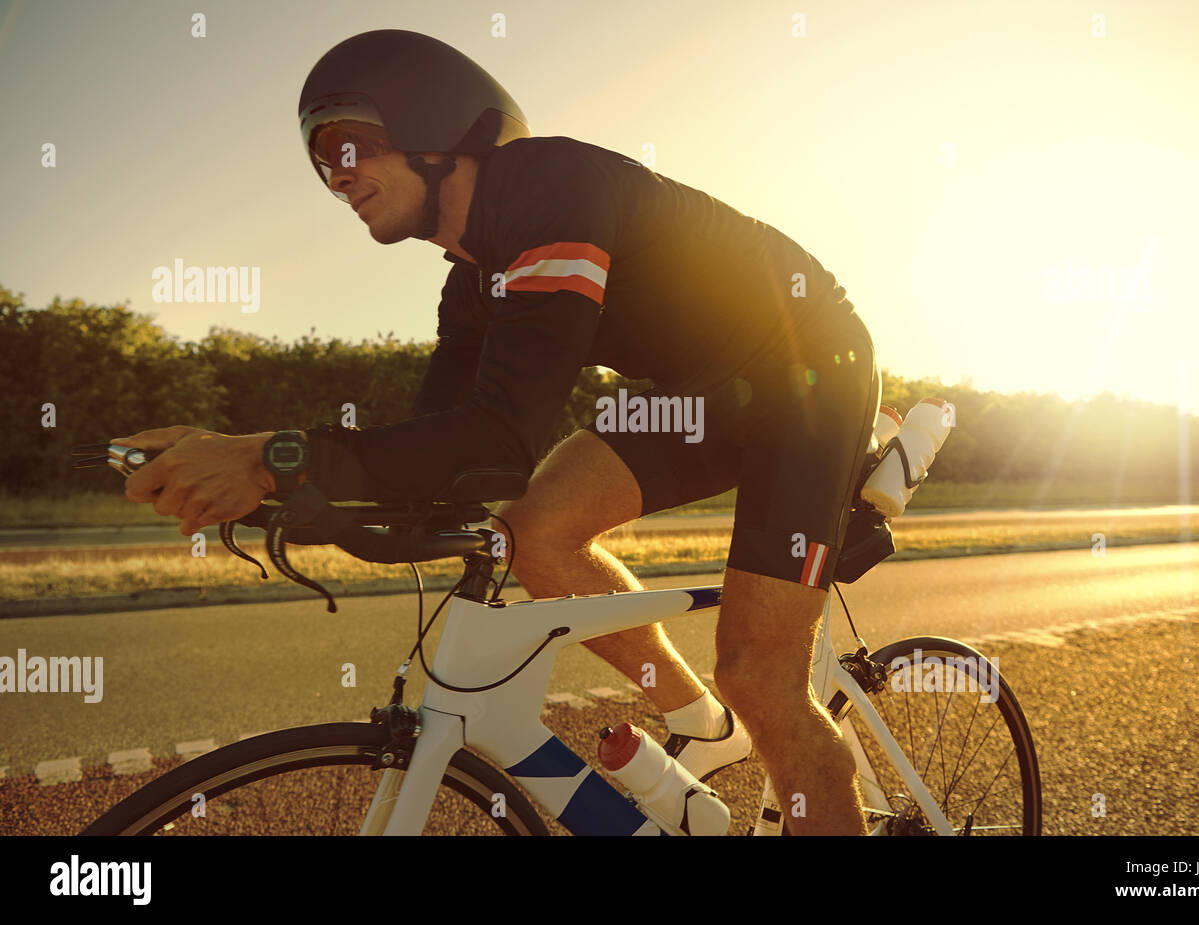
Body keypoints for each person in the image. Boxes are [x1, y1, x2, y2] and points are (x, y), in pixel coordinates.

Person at [118, 29, 883, 835]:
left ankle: (756, 705)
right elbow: (444, 465)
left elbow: (497, 439)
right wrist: (283, 484)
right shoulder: (472, 286)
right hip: (698, 394)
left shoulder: (550, 185)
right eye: (320, 160)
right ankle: (703, 727)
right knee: (530, 535)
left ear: (441, 127)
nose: (337, 175)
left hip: (808, 371)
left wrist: (269, 457)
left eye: (351, 143)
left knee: (760, 672)